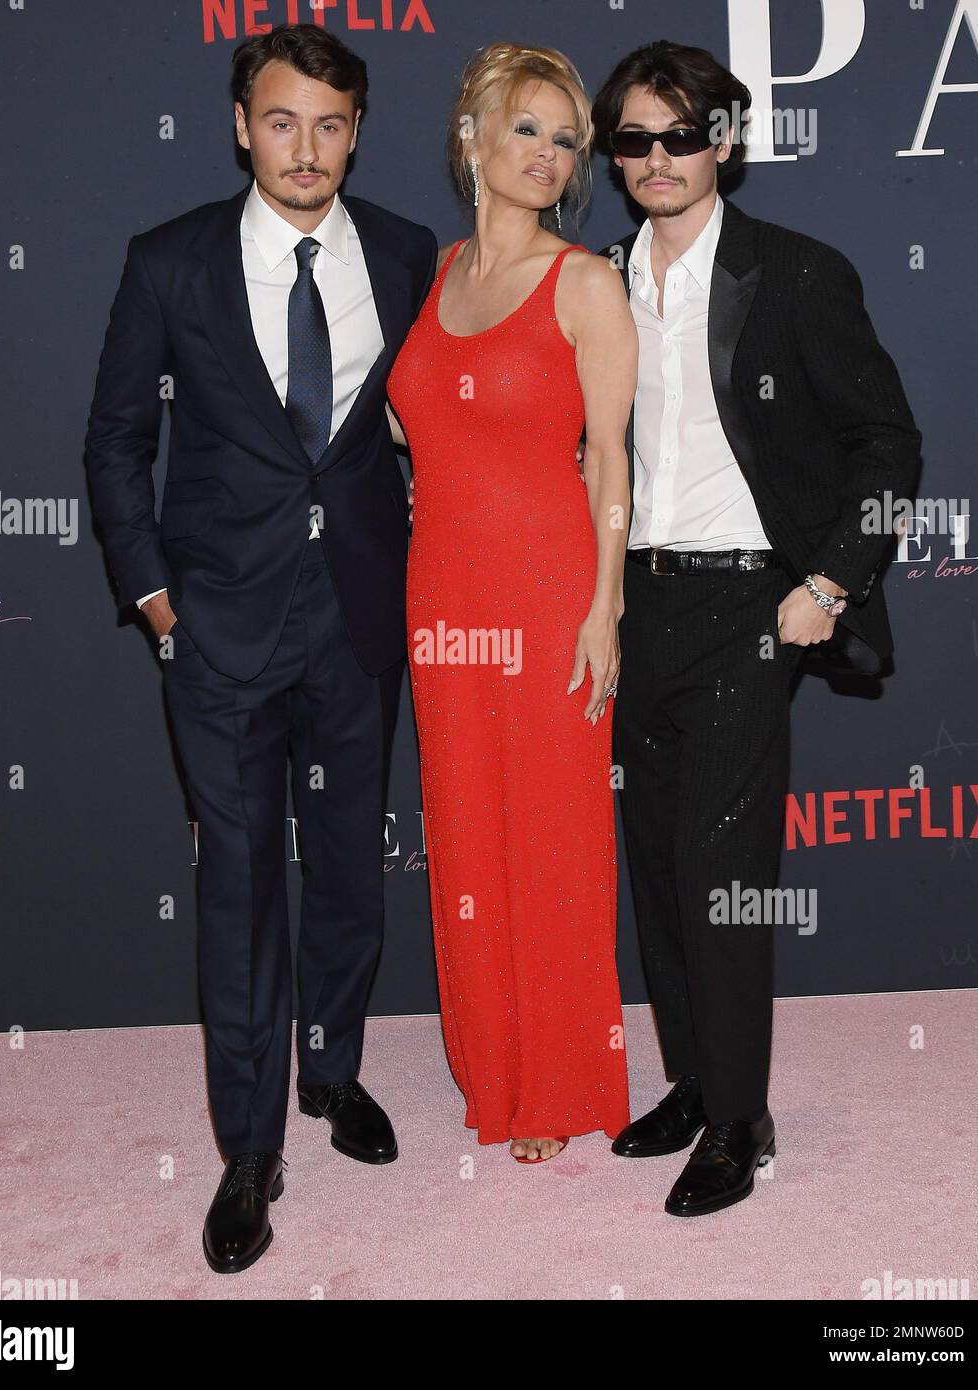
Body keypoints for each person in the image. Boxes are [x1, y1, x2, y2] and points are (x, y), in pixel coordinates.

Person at [84, 23, 437, 1272]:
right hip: (219, 629)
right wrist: (155, 598)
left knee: (346, 864)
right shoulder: (169, 261)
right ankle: (247, 1147)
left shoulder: (403, 255)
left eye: (330, 124)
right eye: (281, 122)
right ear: (241, 126)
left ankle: (332, 1074)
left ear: (356, 129)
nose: (306, 148)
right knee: (238, 887)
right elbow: (117, 439)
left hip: (355, 619)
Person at [592, 40, 921, 1214]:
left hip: (750, 604)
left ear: (725, 140)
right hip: (637, 603)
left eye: (681, 134)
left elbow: (888, 446)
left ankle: (738, 1120)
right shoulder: (597, 280)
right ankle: (692, 1079)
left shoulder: (793, 274)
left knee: (720, 868)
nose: (657, 159)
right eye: (632, 139)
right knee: (660, 871)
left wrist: (824, 586)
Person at [387, 43, 636, 1164]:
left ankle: (554, 1081)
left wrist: (603, 609)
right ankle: (491, 1064)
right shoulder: (429, 276)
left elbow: (610, 465)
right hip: (441, 596)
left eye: (564, 139)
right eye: (526, 128)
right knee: (468, 834)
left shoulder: (585, 280)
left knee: (550, 833)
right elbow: (408, 424)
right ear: (472, 138)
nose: (546, 154)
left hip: (548, 595)